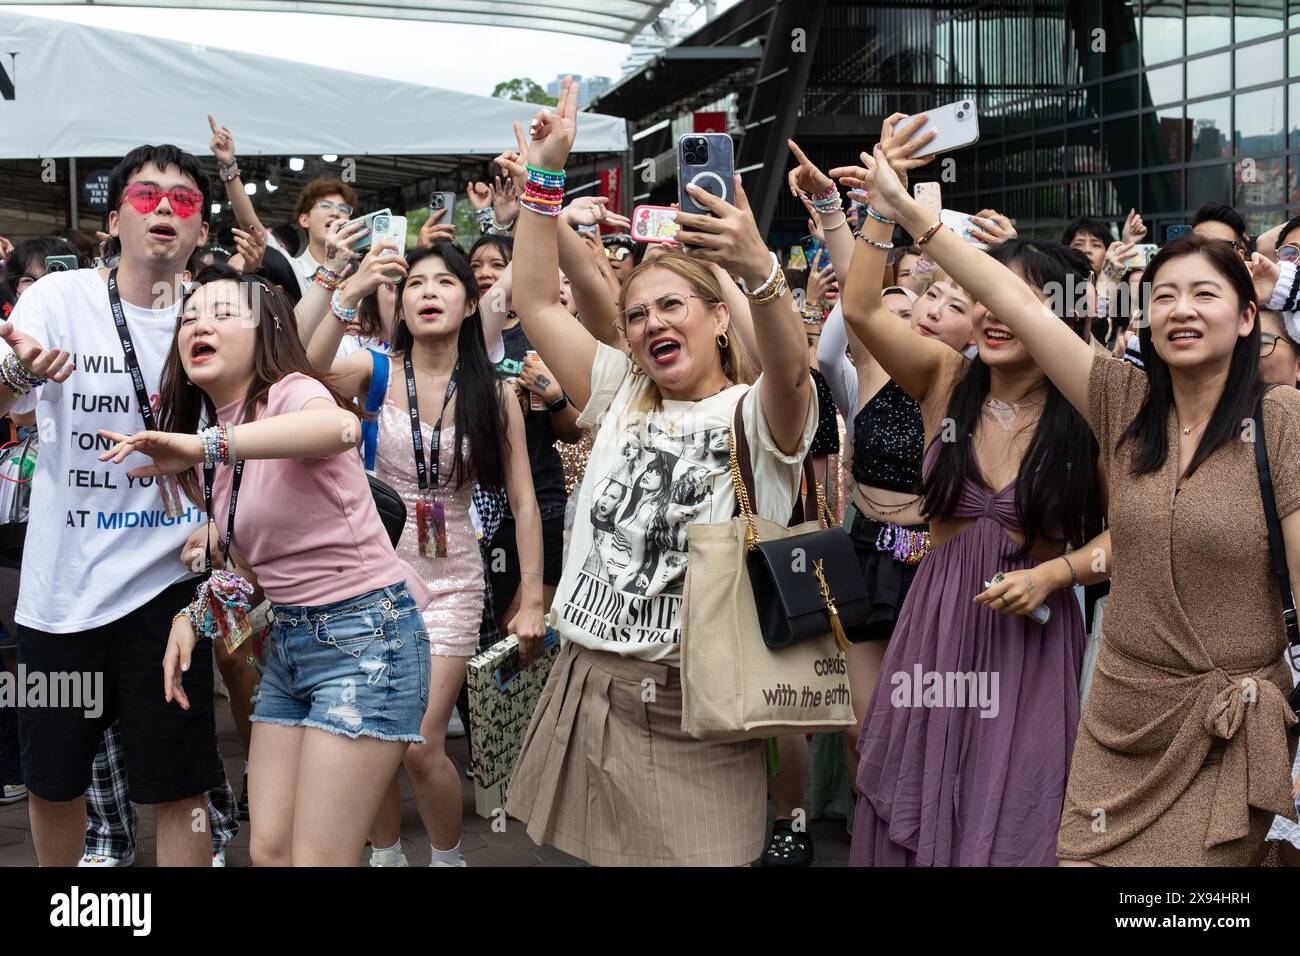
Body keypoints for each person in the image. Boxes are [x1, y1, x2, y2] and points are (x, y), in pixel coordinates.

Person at [872, 143, 1300, 864]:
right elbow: (1015, 304)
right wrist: (917, 219)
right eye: (1163, 295)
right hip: (1119, 729)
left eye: (1205, 294)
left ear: (1250, 316)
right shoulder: (1119, 401)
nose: (1181, 311)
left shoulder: (1283, 421)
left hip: (1227, 736)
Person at [502, 78, 816, 866]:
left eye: (673, 305)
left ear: (717, 319)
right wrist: (545, 178)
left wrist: (757, 269)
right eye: (637, 314)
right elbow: (539, 301)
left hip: (697, 708)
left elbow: (792, 371)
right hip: (591, 688)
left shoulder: (755, 416)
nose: (651, 324)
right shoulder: (620, 391)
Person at [99, 263, 435, 866]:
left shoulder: (287, 394)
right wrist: (192, 616)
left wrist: (204, 447)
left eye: (223, 313)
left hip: (368, 638)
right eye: (189, 317)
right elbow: (249, 568)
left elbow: (334, 427)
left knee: (316, 858)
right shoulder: (209, 443)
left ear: (265, 333)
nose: (199, 324)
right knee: (271, 850)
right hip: (288, 647)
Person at [841, 120, 1108, 866]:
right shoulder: (944, 380)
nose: (992, 313)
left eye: (1016, 299)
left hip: (1034, 644)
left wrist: (1057, 572)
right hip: (934, 628)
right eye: (986, 295)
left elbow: (1133, 533)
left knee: (1017, 806)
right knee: (917, 799)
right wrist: (881, 203)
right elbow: (862, 311)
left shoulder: (1090, 413)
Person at [0, 144, 221, 866]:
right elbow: (5, 398)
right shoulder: (58, 299)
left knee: (179, 786)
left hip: (169, 587)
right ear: (113, 220)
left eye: (184, 201)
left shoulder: (215, 313)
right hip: (60, 595)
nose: (165, 209)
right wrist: (14, 368)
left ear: (201, 232)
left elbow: (256, 427)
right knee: (53, 782)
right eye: (147, 196)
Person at [306, 240, 547, 867]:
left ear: (472, 304)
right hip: (374, 573)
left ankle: (447, 857)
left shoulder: (496, 394)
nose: (428, 292)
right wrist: (349, 289)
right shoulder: (374, 371)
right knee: (370, 737)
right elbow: (302, 369)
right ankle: (385, 854)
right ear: (399, 301)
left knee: (418, 743)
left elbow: (523, 503)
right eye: (414, 283)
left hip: (454, 580)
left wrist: (532, 599)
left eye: (445, 282)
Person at [208, 114, 357, 298]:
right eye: (326, 206)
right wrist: (228, 166)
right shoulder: (291, 269)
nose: (336, 213)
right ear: (304, 219)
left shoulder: (359, 274)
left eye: (344, 209)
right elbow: (250, 222)